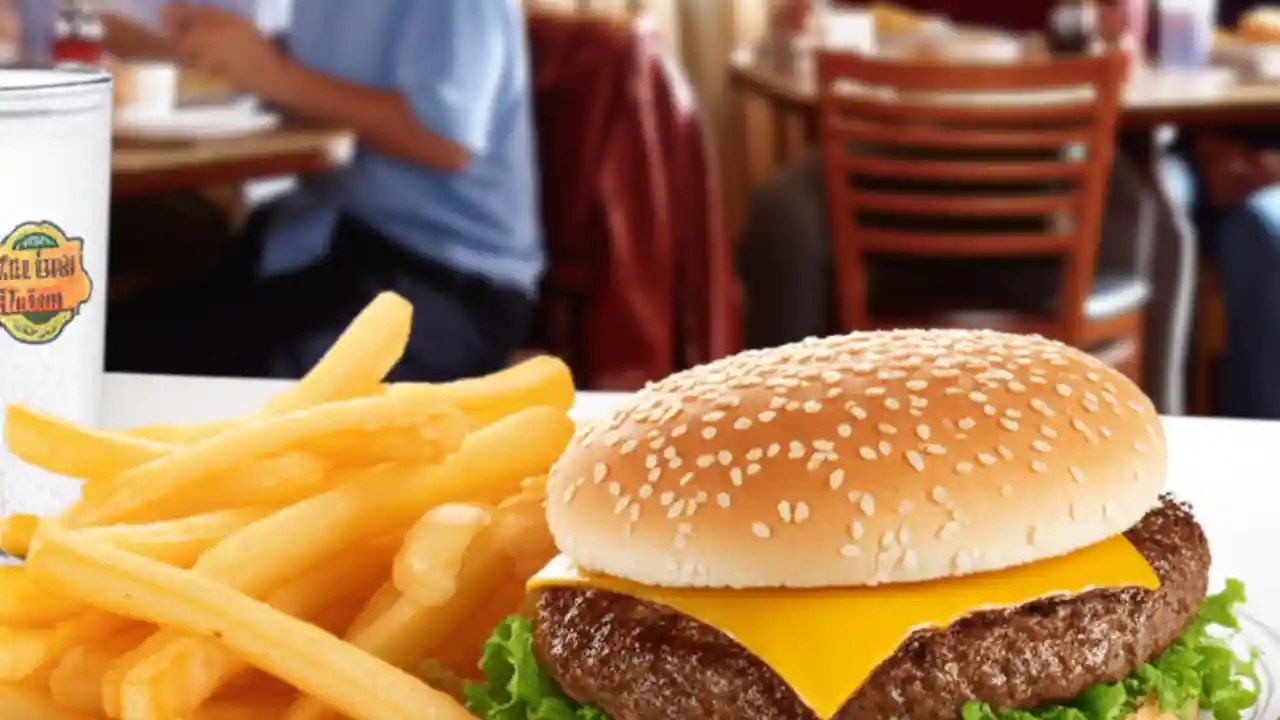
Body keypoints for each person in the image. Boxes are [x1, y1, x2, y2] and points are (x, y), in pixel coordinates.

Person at [106, 0, 542, 382]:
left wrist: (270, 72)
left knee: (248, 400)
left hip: (443, 278)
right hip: (319, 239)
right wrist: (218, 48)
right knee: (112, 349)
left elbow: (445, 139)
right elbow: (309, 78)